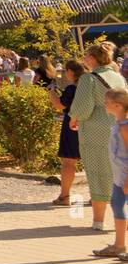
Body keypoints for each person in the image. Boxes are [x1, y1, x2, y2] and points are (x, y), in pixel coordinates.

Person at [69, 42, 128, 232]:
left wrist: (74, 118)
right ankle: (122, 221)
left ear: (94, 58)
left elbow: (83, 108)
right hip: (118, 126)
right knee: (119, 172)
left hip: (95, 130)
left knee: (98, 173)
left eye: (86, 56)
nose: (84, 59)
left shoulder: (89, 79)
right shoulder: (118, 77)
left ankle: (98, 221)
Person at [91, 89, 128, 259]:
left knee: (119, 205)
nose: (104, 104)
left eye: (106, 101)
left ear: (117, 105)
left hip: (125, 176)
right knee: (117, 205)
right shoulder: (118, 123)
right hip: (119, 175)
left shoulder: (125, 126)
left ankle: (120, 245)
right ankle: (119, 245)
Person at [51, 59, 85, 206]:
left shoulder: (72, 88)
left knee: (69, 161)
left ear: (71, 72)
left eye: (66, 70)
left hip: (72, 125)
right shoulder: (87, 87)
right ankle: (97, 196)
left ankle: (65, 196)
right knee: (92, 162)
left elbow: (59, 105)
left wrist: (51, 92)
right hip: (89, 124)